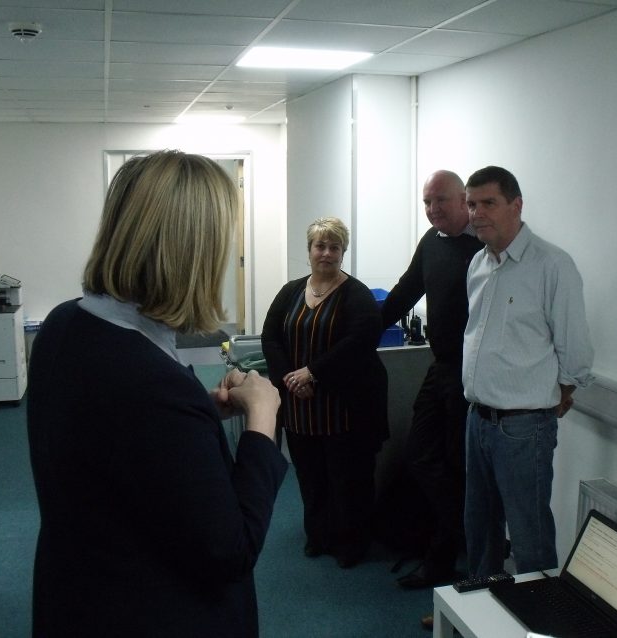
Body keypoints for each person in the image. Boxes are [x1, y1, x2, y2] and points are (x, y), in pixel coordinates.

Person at [27, 151, 288, 637]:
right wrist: (262, 425)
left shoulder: (65, 324)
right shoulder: (151, 384)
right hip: (154, 611)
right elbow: (230, 551)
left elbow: (112, 443)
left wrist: (195, 419)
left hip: (79, 594)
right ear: (192, 250)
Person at [462, 166, 594, 578]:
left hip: (523, 426)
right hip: (477, 419)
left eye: (488, 203)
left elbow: (575, 353)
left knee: (529, 535)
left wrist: (557, 395)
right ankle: (476, 612)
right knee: (480, 529)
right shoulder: (478, 264)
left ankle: (540, 621)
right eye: (471, 204)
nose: (477, 213)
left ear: (516, 205)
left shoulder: (552, 265)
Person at [261, 217, 388, 569]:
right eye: (320, 246)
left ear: (343, 252)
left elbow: (361, 342)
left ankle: (351, 543)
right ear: (309, 251)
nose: (327, 253)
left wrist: (313, 374)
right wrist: (290, 378)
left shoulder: (357, 295)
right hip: (299, 406)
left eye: (334, 247)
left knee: (348, 479)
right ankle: (318, 535)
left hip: (344, 406)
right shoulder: (291, 291)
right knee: (309, 474)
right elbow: (270, 336)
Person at [380, 170, 484, 589]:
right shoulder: (431, 243)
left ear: (464, 200)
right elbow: (405, 292)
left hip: (472, 376)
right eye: (427, 203)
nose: (433, 210)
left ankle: (444, 560)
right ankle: (459, 536)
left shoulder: (483, 247)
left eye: (440, 200)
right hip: (439, 368)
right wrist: (358, 332)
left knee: (457, 469)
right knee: (421, 457)